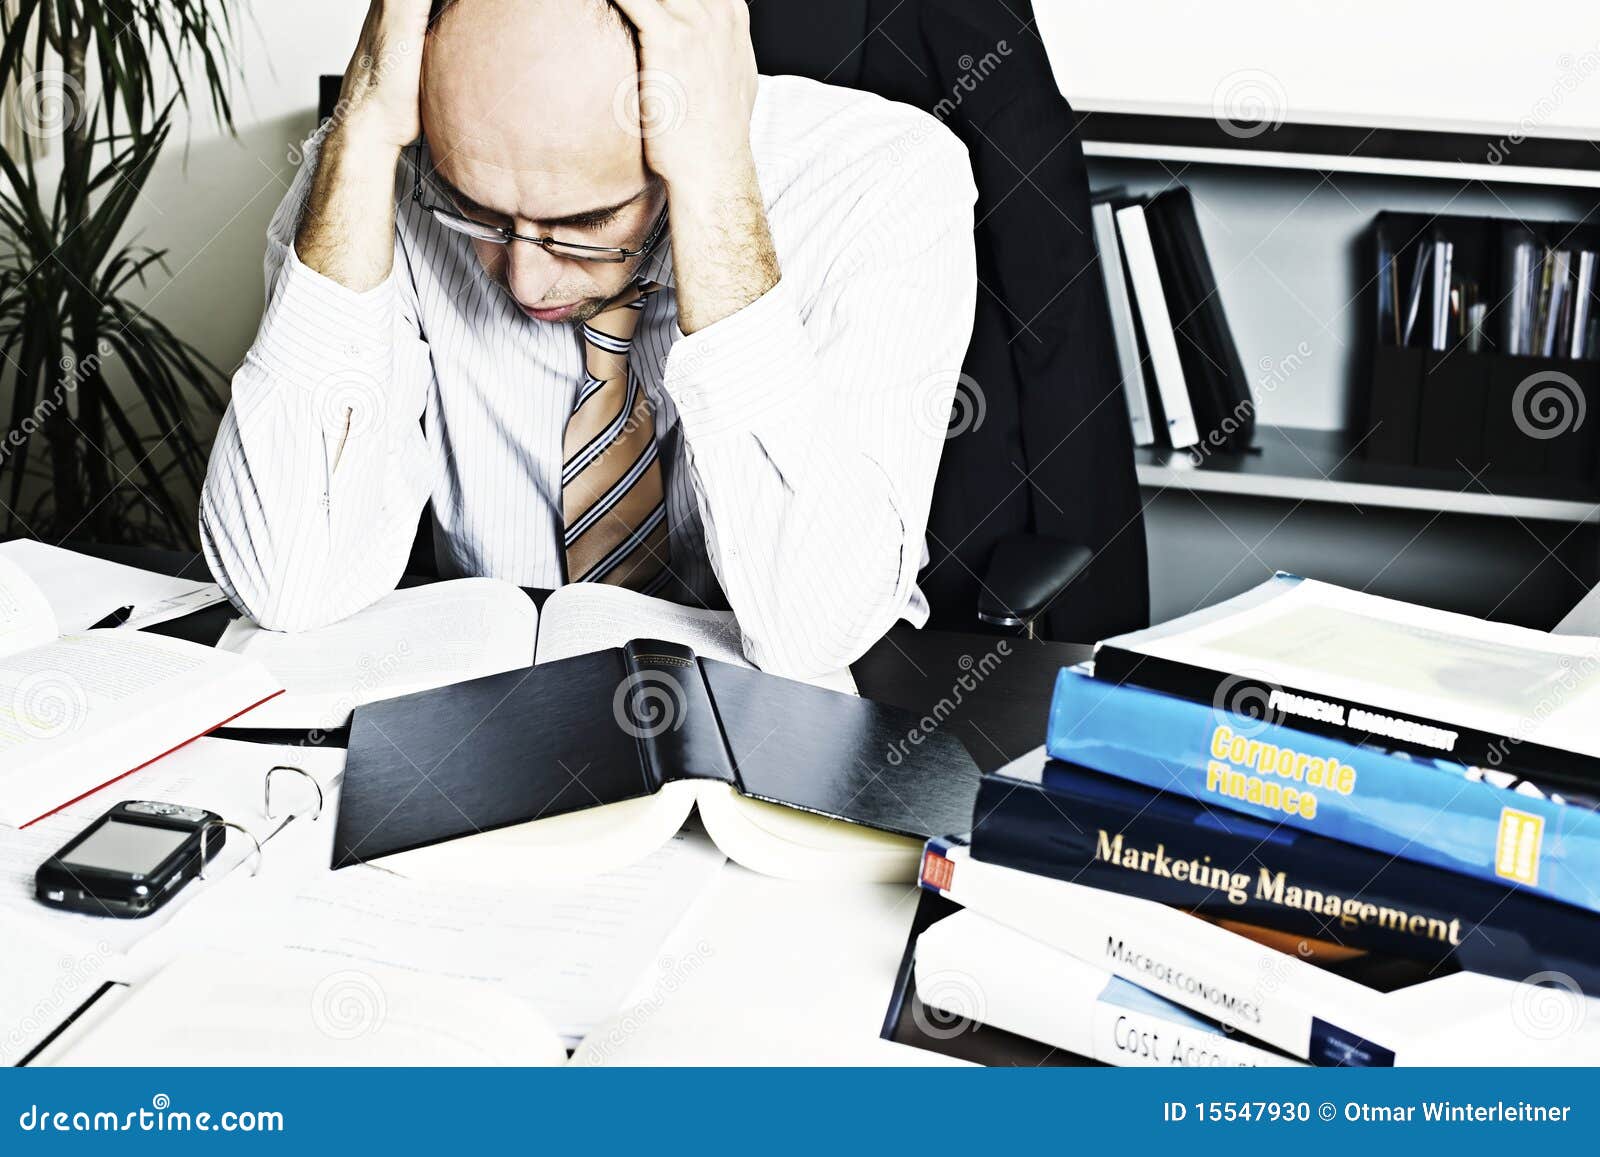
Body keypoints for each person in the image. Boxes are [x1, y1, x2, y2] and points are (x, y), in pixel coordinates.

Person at [200, 0, 977, 677]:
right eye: (480, 213)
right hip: (487, 730)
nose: (526, 283)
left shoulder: (884, 180)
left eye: (587, 224)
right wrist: (361, 138)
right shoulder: (382, 170)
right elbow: (284, 582)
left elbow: (814, 629)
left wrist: (716, 180)